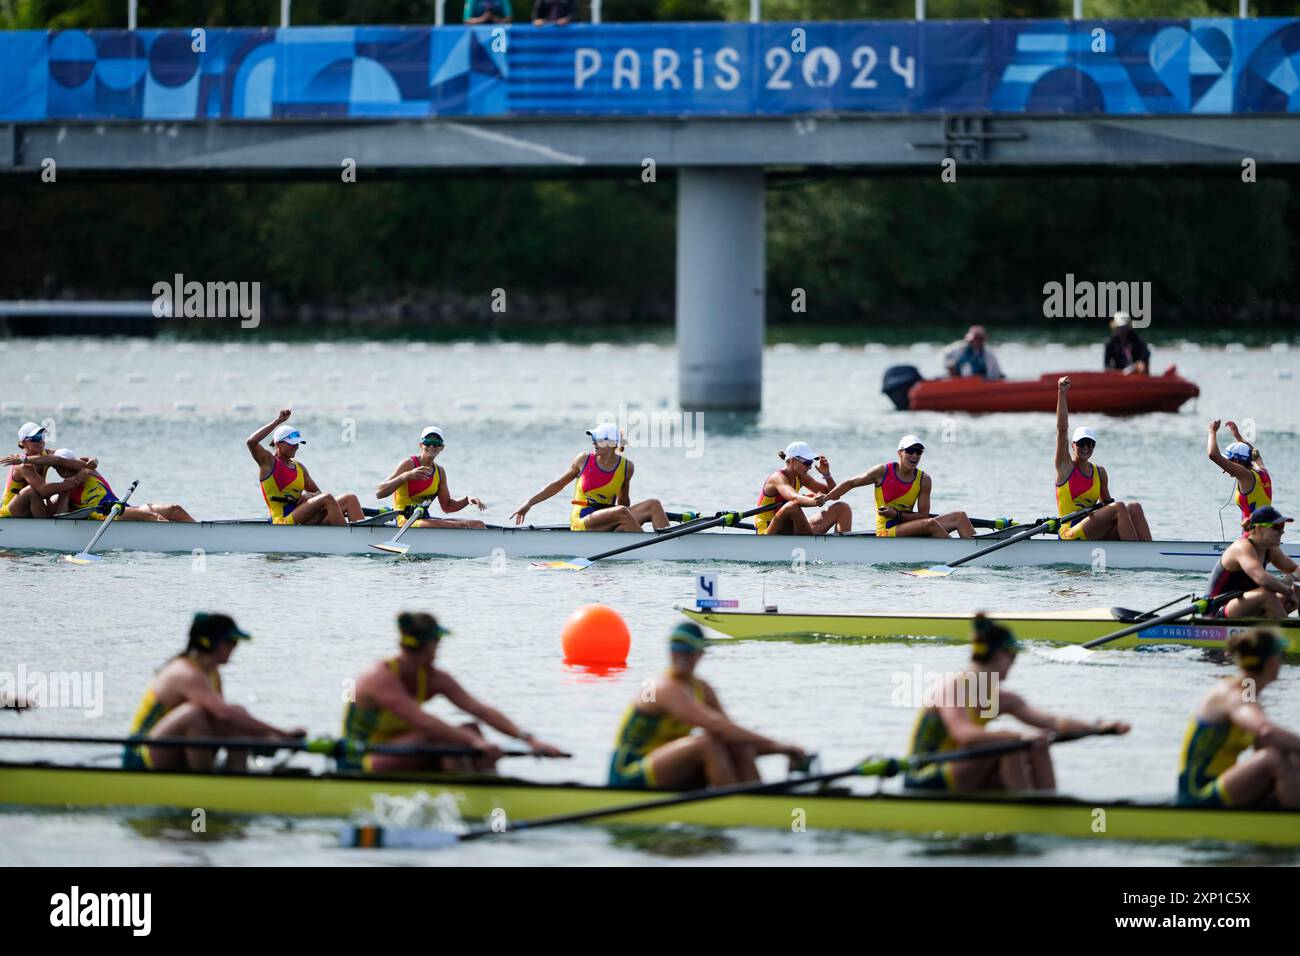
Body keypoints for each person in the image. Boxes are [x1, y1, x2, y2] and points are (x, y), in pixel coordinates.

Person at [904, 615, 1130, 793]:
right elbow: (965, 735)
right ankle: (1028, 815)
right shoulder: (954, 686)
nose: (1014, 662)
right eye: (1013, 655)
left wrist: (1098, 727)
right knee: (1013, 745)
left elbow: (1054, 722)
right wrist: (1016, 737)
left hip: (960, 770)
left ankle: (1048, 807)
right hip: (925, 775)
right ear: (1001, 654)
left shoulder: (1001, 699)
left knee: (1037, 743)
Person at [341, 612, 563, 772]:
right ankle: (470, 793)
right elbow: (423, 721)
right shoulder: (379, 678)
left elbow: (482, 711)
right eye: (438, 643)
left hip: (406, 752)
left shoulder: (432, 677)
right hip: (362, 761)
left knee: (471, 727)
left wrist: (530, 741)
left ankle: (486, 787)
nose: (439, 648)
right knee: (447, 736)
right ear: (429, 644)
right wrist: (474, 743)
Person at [608, 621, 807, 789]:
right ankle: (737, 809)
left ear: (701, 653)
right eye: (675, 647)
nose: (680, 654)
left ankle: (761, 805)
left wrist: (784, 751)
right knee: (708, 743)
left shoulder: (702, 689)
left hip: (665, 769)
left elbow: (731, 733)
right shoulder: (660, 687)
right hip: (629, 772)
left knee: (738, 744)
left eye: (688, 648)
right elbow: (718, 727)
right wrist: (778, 745)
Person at [123, 613, 304, 771]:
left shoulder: (212, 673)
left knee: (237, 714)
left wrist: (267, 739)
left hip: (171, 748)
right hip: (140, 755)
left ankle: (238, 779)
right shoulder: (185, 673)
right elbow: (223, 715)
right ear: (210, 643)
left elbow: (222, 722)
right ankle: (206, 784)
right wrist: (281, 733)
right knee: (195, 714)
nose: (235, 647)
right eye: (231, 641)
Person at [1177, 628, 1300, 808]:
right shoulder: (1233, 695)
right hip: (1197, 794)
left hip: (1223, 785)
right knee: (1275, 758)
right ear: (1273, 663)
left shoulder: (1248, 690)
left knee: (1288, 754)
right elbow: (1267, 731)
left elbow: (1264, 741)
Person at [510, 423, 669, 531]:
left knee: (653, 505)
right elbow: (558, 484)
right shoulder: (583, 459)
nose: (593, 442)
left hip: (612, 517)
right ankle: (653, 548)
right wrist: (529, 503)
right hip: (583, 519)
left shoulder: (627, 467)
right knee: (621, 512)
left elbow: (624, 502)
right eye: (593, 438)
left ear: (613, 444)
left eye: (598, 439)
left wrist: (634, 516)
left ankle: (671, 544)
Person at [1053, 376, 1151, 541]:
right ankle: (1137, 554)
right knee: (1119, 507)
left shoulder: (1100, 473)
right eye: (1082, 443)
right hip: (1069, 532)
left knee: (1134, 508)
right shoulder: (1064, 467)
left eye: (1090, 444)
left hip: (1092, 529)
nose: (1086, 448)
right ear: (1073, 445)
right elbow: (1062, 430)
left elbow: (1107, 505)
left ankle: (1152, 553)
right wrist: (1061, 393)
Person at [826, 435, 974, 539]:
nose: (915, 455)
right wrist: (826, 498)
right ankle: (958, 552)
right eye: (910, 451)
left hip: (910, 524)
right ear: (900, 453)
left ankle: (978, 548)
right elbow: (851, 483)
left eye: (919, 452)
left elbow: (923, 515)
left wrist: (897, 514)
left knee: (960, 516)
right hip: (886, 530)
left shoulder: (924, 479)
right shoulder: (882, 472)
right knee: (931, 524)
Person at [246, 410, 362, 526]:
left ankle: (362, 537)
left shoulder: (299, 468)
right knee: (327, 498)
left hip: (304, 518)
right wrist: (277, 421)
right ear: (278, 444)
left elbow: (318, 492)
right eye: (292, 443)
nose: (296, 447)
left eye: (297, 443)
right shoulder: (269, 463)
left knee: (350, 499)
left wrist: (310, 495)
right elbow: (251, 442)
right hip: (283, 522)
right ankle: (347, 538)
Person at [375, 427, 486, 529]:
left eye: (436, 443)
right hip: (405, 521)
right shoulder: (409, 464)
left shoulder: (440, 472)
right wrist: (405, 476)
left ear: (441, 447)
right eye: (427, 442)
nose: (431, 446)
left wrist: (467, 499)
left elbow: (447, 507)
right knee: (461, 526)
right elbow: (379, 492)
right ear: (421, 445)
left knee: (478, 525)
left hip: (423, 519)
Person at [49, 448, 195, 522]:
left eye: (64, 465)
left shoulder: (91, 472)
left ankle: (199, 532)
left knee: (175, 509)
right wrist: (67, 492)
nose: (60, 470)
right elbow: (62, 519)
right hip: (106, 516)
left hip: (123, 508)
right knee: (153, 517)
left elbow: (90, 461)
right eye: (57, 468)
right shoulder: (64, 489)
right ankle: (179, 539)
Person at [1205, 506, 1300, 619]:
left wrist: (1291, 579)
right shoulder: (1242, 548)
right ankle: (1289, 634)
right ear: (1259, 528)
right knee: (1267, 595)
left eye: (1282, 526)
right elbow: (1263, 579)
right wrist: (1288, 592)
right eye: (1277, 526)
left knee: (1297, 592)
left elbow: (1296, 569)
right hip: (1217, 610)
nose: (1282, 531)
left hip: (1246, 606)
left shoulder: (1270, 549)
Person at [0, 422, 95, 519]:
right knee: (31, 491)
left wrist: (92, 461)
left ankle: (67, 521)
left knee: (62, 491)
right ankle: (48, 529)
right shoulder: (22, 465)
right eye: (35, 438)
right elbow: (44, 491)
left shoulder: (46, 454)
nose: (41, 441)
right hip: (11, 511)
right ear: (23, 443)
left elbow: (66, 459)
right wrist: (74, 482)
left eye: (41, 436)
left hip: (32, 506)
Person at [755, 441, 851, 535]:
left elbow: (834, 495)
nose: (810, 467)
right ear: (792, 461)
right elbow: (794, 498)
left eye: (811, 463)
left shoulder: (801, 477)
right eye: (807, 463)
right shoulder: (777, 478)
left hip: (789, 527)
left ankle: (842, 547)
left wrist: (827, 475)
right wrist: (815, 500)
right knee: (792, 507)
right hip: (768, 531)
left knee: (842, 507)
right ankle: (811, 544)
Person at [1207, 419, 1271, 524]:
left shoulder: (1245, 475)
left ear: (1236, 461)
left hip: (1256, 537)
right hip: (1270, 534)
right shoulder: (1262, 471)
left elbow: (1213, 455)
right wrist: (1238, 436)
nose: (1225, 467)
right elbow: (1255, 453)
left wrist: (1212, 431)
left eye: (1227, 460)